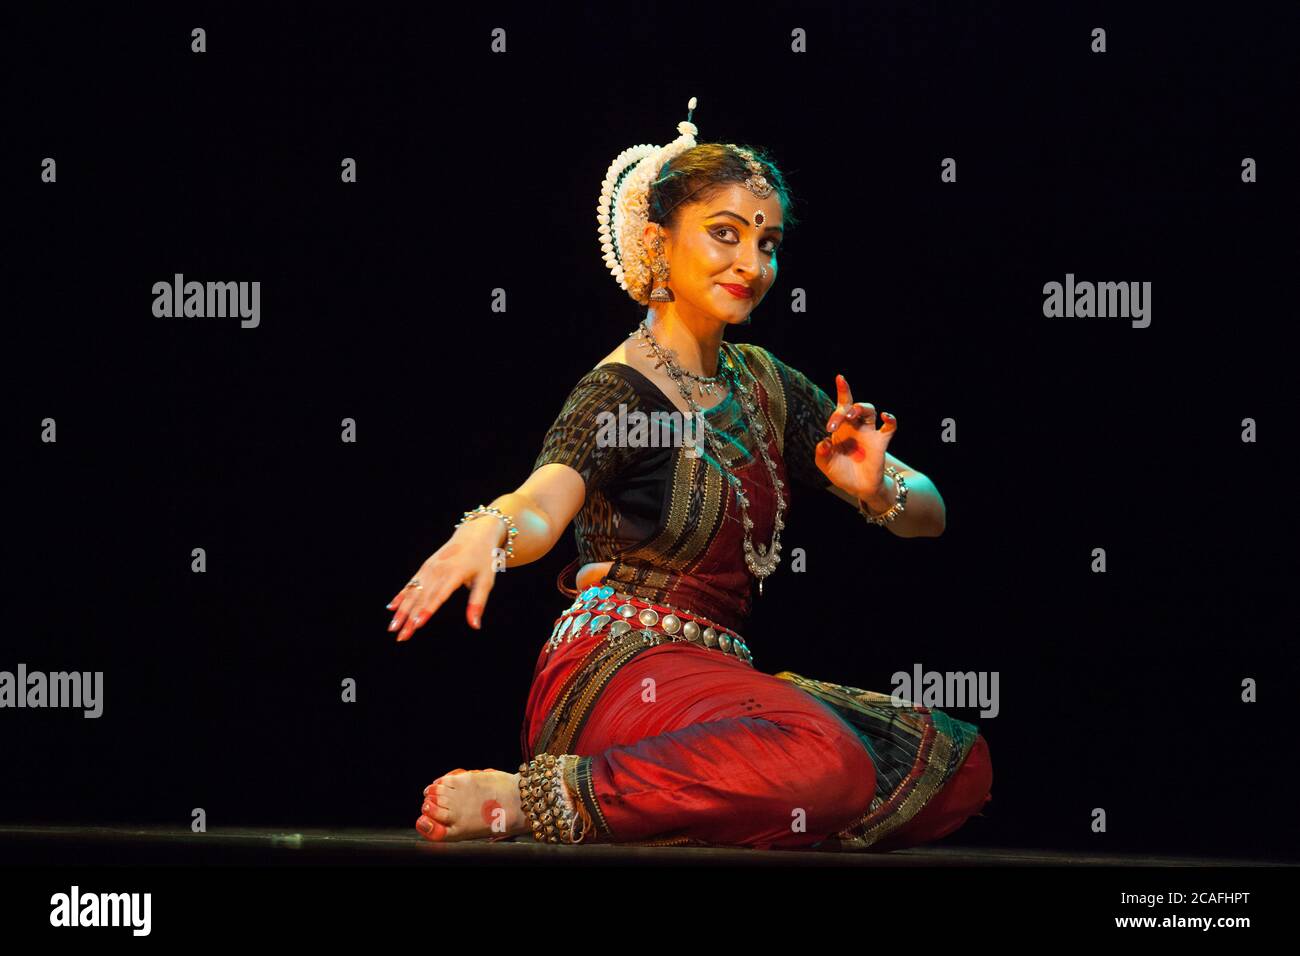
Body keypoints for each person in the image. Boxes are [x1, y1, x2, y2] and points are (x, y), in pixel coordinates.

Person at [389, 97, 993, 850]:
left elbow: (929, 513)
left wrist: (879, 490)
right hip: (615, 672)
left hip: (710, 688)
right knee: (831, 765)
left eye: (768, 243)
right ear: (657, 241)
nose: (752, 264)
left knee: (959, 764)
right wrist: (494, 528)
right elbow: (546, 501)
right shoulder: (621, 388)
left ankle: (683, 808)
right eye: (725, 235)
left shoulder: (765, 384)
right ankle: (538, 795)